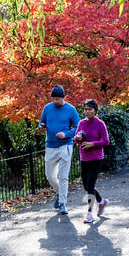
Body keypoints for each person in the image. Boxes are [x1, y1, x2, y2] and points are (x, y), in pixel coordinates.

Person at [38, 85, 80, 214]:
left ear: (63, 98)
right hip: (50, 145)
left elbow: (78, 127)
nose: (55, 101)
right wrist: (41, 127)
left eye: (57, 99)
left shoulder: (71, 110)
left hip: (65, 145)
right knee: (50, 176)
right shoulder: (47, 108)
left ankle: (63, 204)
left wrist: (66, 134)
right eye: (53, 98)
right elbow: (41, 124)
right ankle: (59, 193)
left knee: (63, 176)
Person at [73, 99, 110, 224]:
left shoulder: (100, 124)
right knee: (86, 186)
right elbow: (76, 138)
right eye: (86, 109)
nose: (87, 112)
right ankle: (102, 201)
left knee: (90, 185)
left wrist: (92, 144)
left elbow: (106, 141)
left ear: (95, 110)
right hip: (84, 158)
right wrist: (77, 138)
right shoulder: (81, 123)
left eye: (90, 109)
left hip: (96, 158)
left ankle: (89, 213)